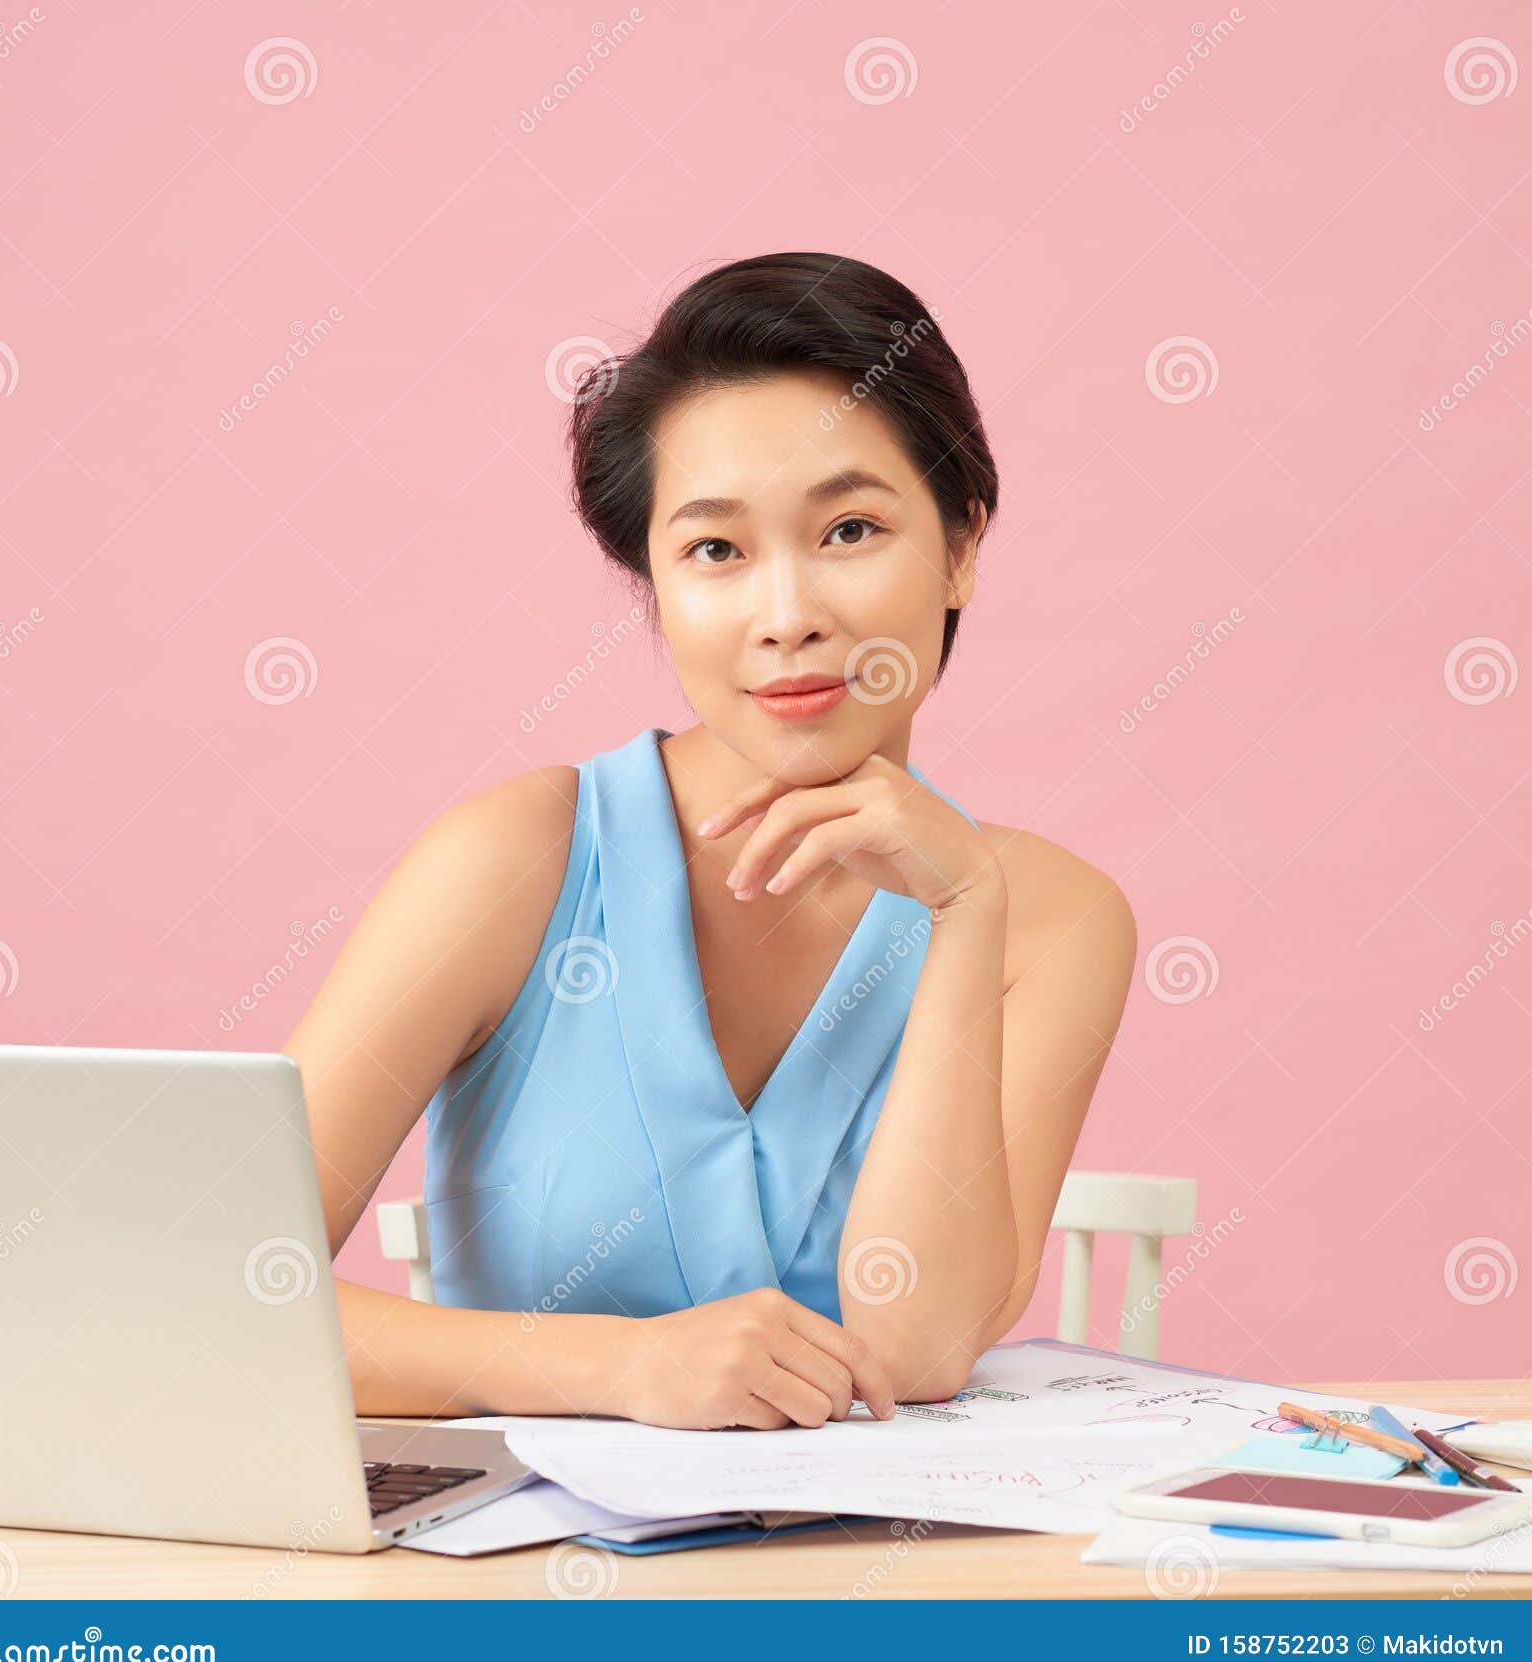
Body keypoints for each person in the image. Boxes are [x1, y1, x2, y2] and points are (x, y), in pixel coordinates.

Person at [285, 252, 1137, 1432]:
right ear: (654, 583)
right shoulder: (515, 860)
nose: (787, 617)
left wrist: (959, 913)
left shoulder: (1052, 917)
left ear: (958, 549)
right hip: (540, 1543)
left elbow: (915, 1345)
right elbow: (215, 1283)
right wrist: (617, 1367)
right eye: (716, 551)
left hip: (879, 1546)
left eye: (849, 528)